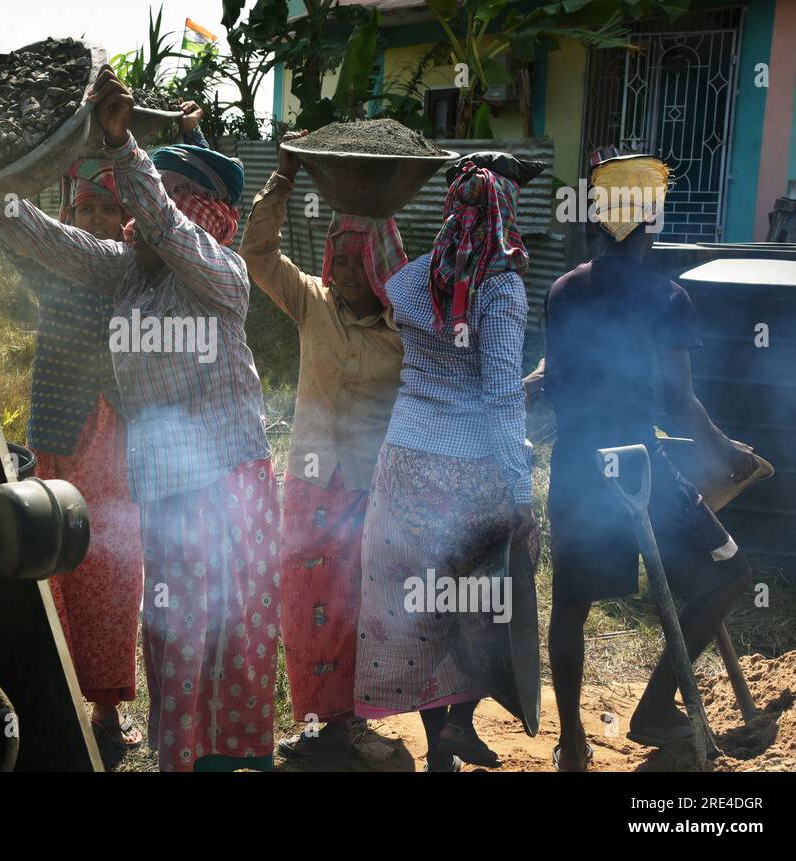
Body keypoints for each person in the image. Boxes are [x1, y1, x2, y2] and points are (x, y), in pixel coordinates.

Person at [0, 67, 280, 773]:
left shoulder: (219, 276)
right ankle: (186, 760)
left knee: (231, 639)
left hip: (229, 489)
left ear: (203, 213)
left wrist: (122, 146)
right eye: (142, 203)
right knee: (174, 639)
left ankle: (234, 760)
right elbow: (51, 242)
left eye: (162, 202)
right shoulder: (129, 273)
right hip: (169, 497)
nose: (137, 218)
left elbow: (167, 228)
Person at [541, 151, 756, 772]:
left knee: (571, 606)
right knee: (731, 573)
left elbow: (559, 381)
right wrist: (727, 453)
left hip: (579, 465)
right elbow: (680, 403)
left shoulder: (563, 289)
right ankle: (656, 708)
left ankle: (574, 744)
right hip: (641, 466)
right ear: (646, 224)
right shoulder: (666, 296)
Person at [353, 152, 539, 772]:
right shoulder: (502, 289)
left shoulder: (411, 280)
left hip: (404, 462)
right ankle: (460, 725)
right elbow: (502, 396)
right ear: (506, 216)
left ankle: (440, 747)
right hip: (470, 475)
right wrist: (522, 493)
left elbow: (390, 287)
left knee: (426, 604)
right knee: (484, 604)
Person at [237, 130, 406, 762]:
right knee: (306, 607)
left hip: (368, 487)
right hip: (310, 483)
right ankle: (315, 724)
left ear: (380, 267)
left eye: (356, 261)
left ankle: (355, 723)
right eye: (336, 257)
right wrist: (282, 180)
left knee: (361, 608)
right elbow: (257, 253)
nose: (341, 272)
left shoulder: (403, 333)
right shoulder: (313, 303)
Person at [0, 167, 144, 760]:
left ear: (125, 218)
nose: (96, 222)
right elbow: (11, 233)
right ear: (68, 218)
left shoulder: (135, 271)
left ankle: (104, 707)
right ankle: (56, 695)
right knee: (49, 551)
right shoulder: (50, 266)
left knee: (107, 562)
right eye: (85, 211)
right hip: (55, 426)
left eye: (108, 210)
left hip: (113, 432)